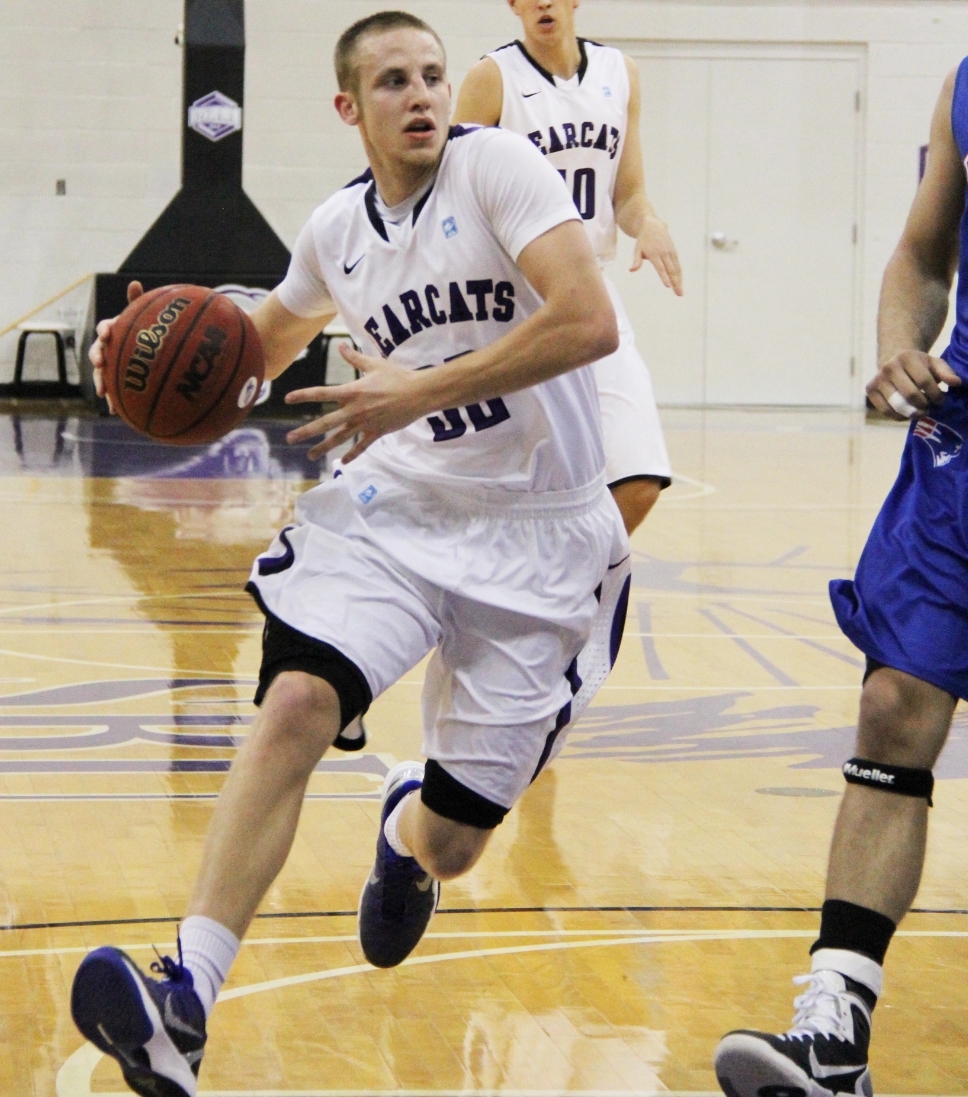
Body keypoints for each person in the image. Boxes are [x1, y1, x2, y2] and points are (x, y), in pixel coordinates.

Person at [68, 11, 631, 1097]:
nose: (420, 95)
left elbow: (588, 320)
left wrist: (409, 389)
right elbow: (259, 352)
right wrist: (147, 348)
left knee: (457, 842)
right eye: (391, 82)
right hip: (401, 511)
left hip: (544, 535)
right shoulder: (336, 228)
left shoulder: (499, 170)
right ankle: (186, 991)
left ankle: (404, 823)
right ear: (349, 108)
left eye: (429, 75)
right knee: (293, 703)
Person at [714, 63, 967, 1097]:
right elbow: (920, 249)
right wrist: (898, 344)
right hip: (964, 438)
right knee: (893, 702)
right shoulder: (962, 79)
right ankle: (836, 1025)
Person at [453, 0, 680, 537]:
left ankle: (567, 589)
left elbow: (628, 194)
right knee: (508, 484)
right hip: (509, 296)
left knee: (639, 475)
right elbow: (454, 195)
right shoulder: (491, 78)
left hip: (590, 290)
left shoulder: (620, 74)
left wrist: (648, 222)